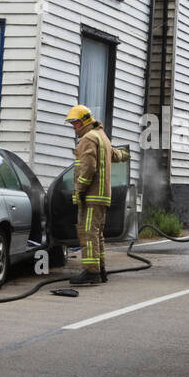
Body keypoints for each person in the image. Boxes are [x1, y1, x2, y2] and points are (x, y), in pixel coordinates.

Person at [66, 104, 129, 286]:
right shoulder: (102, 137)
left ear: (85, 121)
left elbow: (88, 168)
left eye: (75, 123)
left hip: (91, 196)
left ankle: (91, 272)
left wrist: (79, 189)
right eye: (72, 123)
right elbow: (116, 155)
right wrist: (127, 154)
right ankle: (101, 270)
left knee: (88, 233)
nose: (73, 127)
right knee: (98, 234)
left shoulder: (87, 139)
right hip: (103, 196)